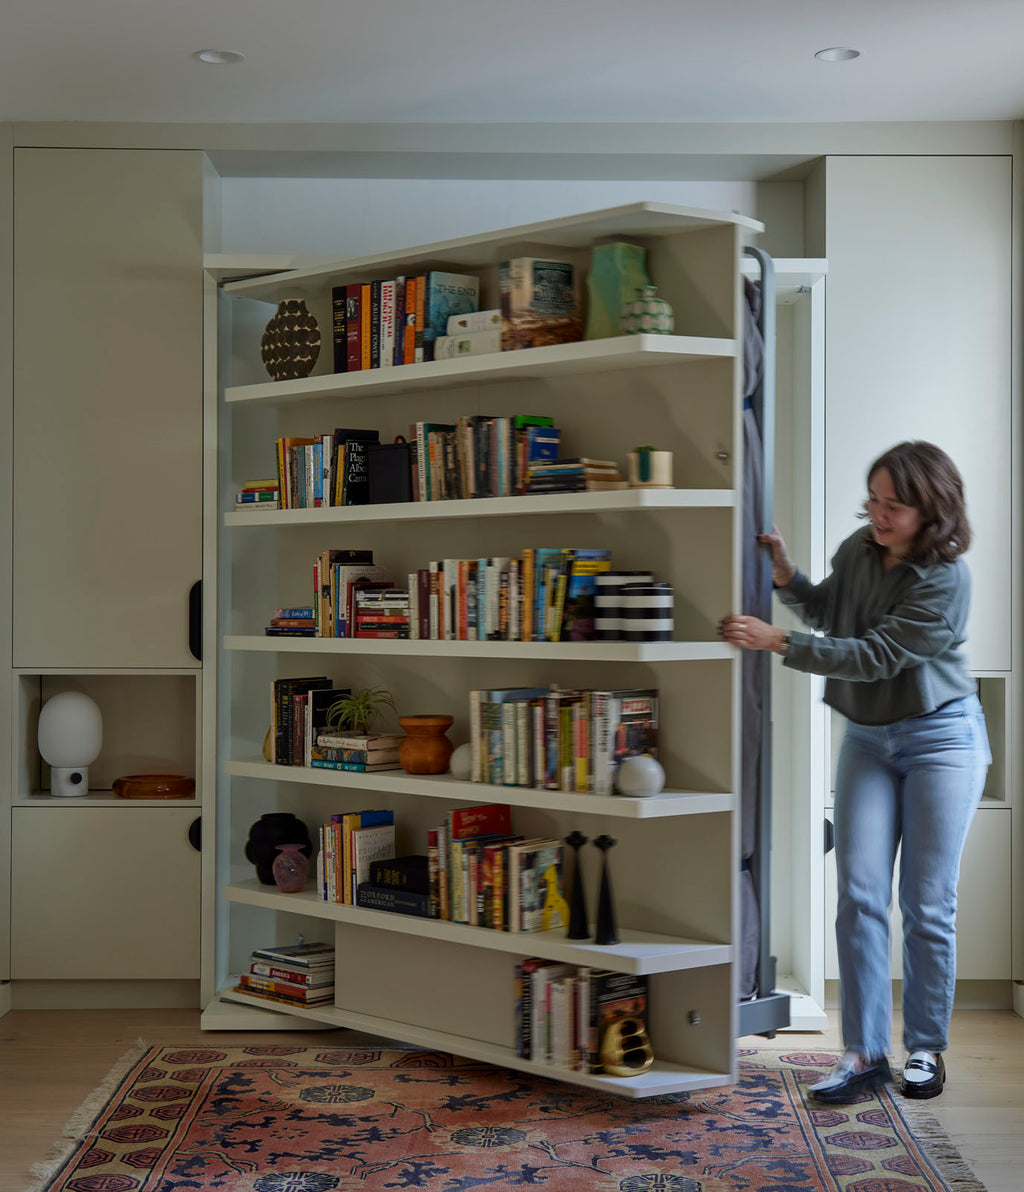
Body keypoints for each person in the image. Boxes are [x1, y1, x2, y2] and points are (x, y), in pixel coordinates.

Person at [719, 440, 990, 1104]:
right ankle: (865, 1052)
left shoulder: (947, 579)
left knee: (926, 904)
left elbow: (874, 654)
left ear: (933, 510)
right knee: (860, 894)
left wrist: (776, 640)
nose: (877, 512)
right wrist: (787, 576)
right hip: (869, 738)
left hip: (941, 738)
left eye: (893, 504)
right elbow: (828, 612)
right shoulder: (858, 548)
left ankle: (924, 1048)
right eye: (873, 498)